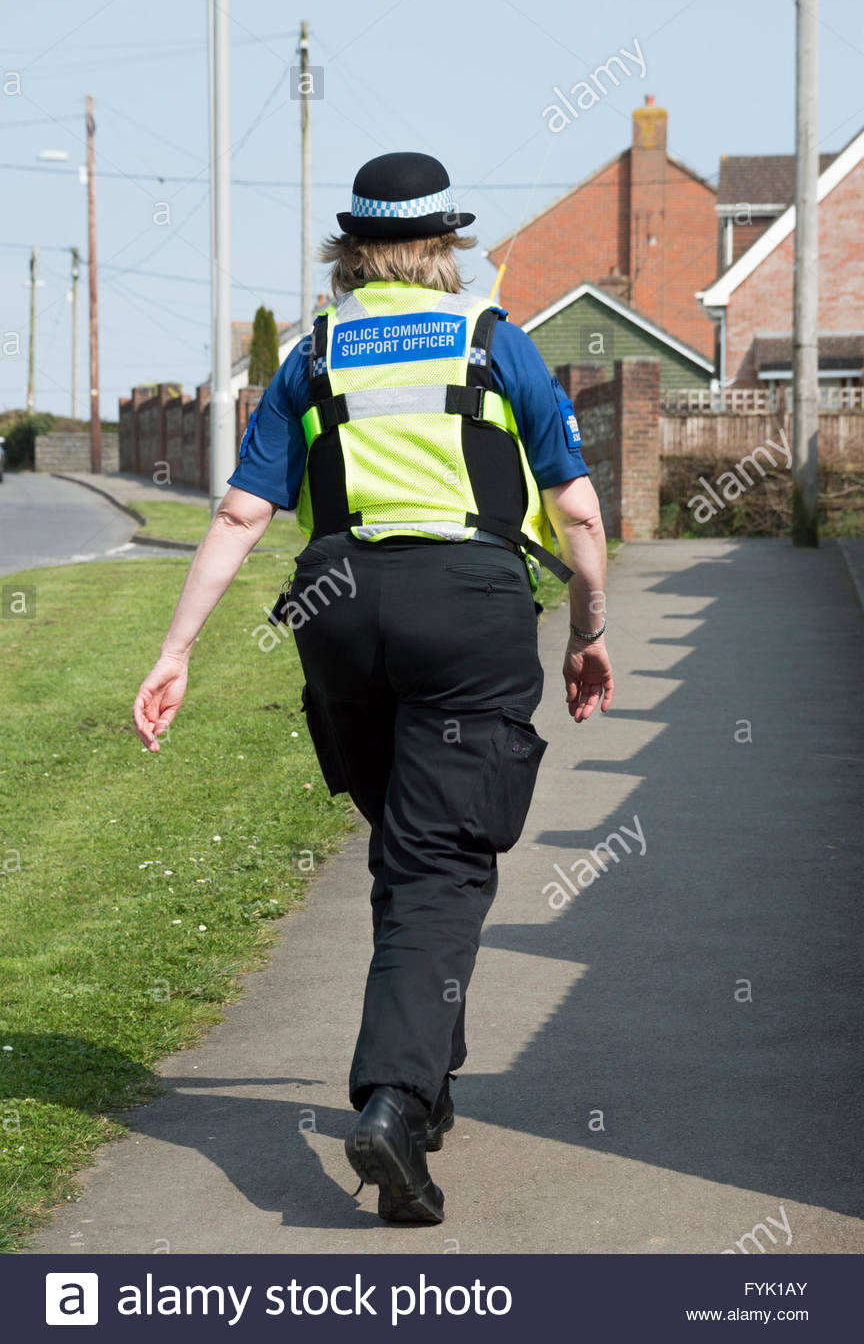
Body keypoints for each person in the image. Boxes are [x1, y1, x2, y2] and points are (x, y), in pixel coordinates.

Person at [133, 151, 614, 1226]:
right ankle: (393, 1101)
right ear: (445, 246)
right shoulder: (496, 343)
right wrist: (588, 632)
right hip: (469, 604)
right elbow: (579, 514)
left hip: (338, 610)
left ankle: (425, 1088)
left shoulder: (311, 354)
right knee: (442, 860)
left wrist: (176, 652)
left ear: (349, 251)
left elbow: (241, 515)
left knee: (410, 840)